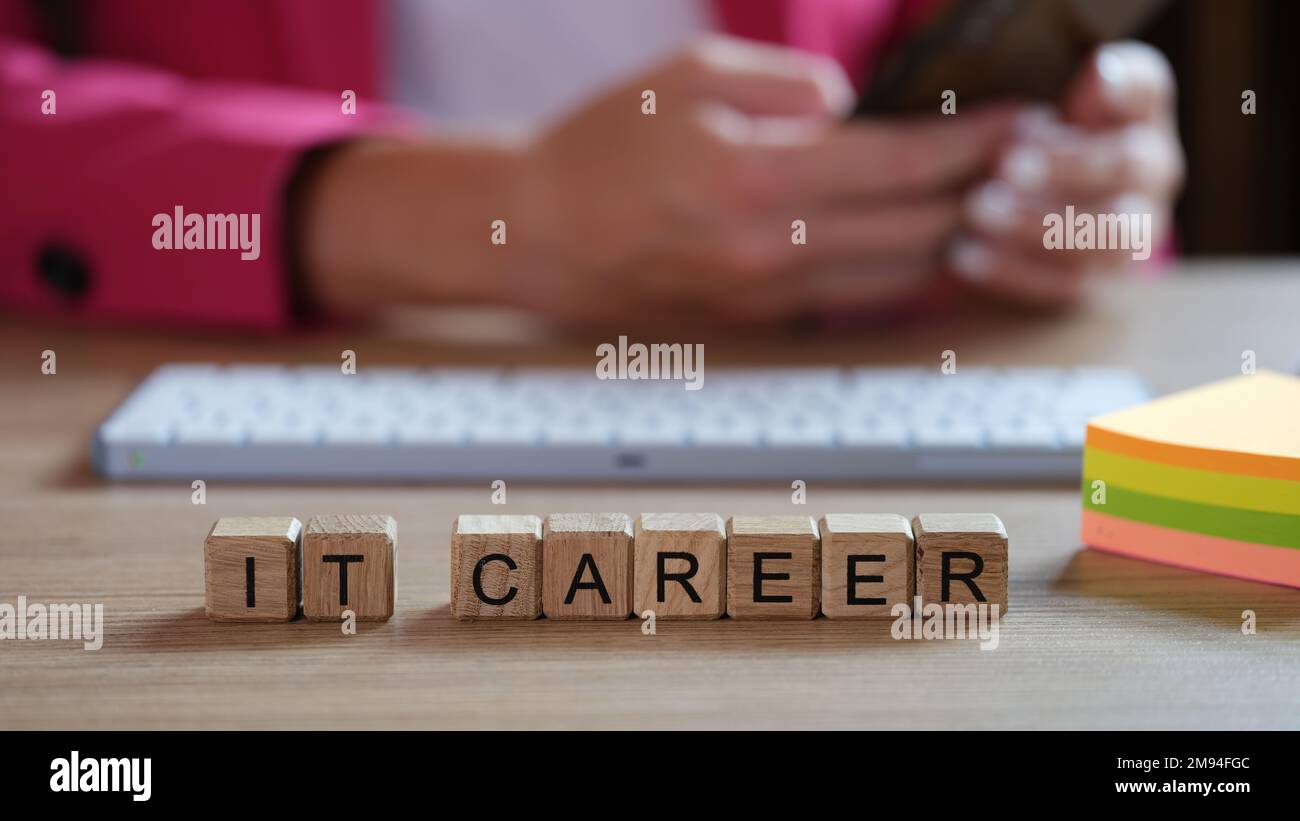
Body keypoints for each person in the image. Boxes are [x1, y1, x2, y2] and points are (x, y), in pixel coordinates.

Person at [0, 0, 1183, 330]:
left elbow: (975, 65)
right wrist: (476, 217)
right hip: (298, 385)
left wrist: (1080, 187)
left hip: (816, 390)